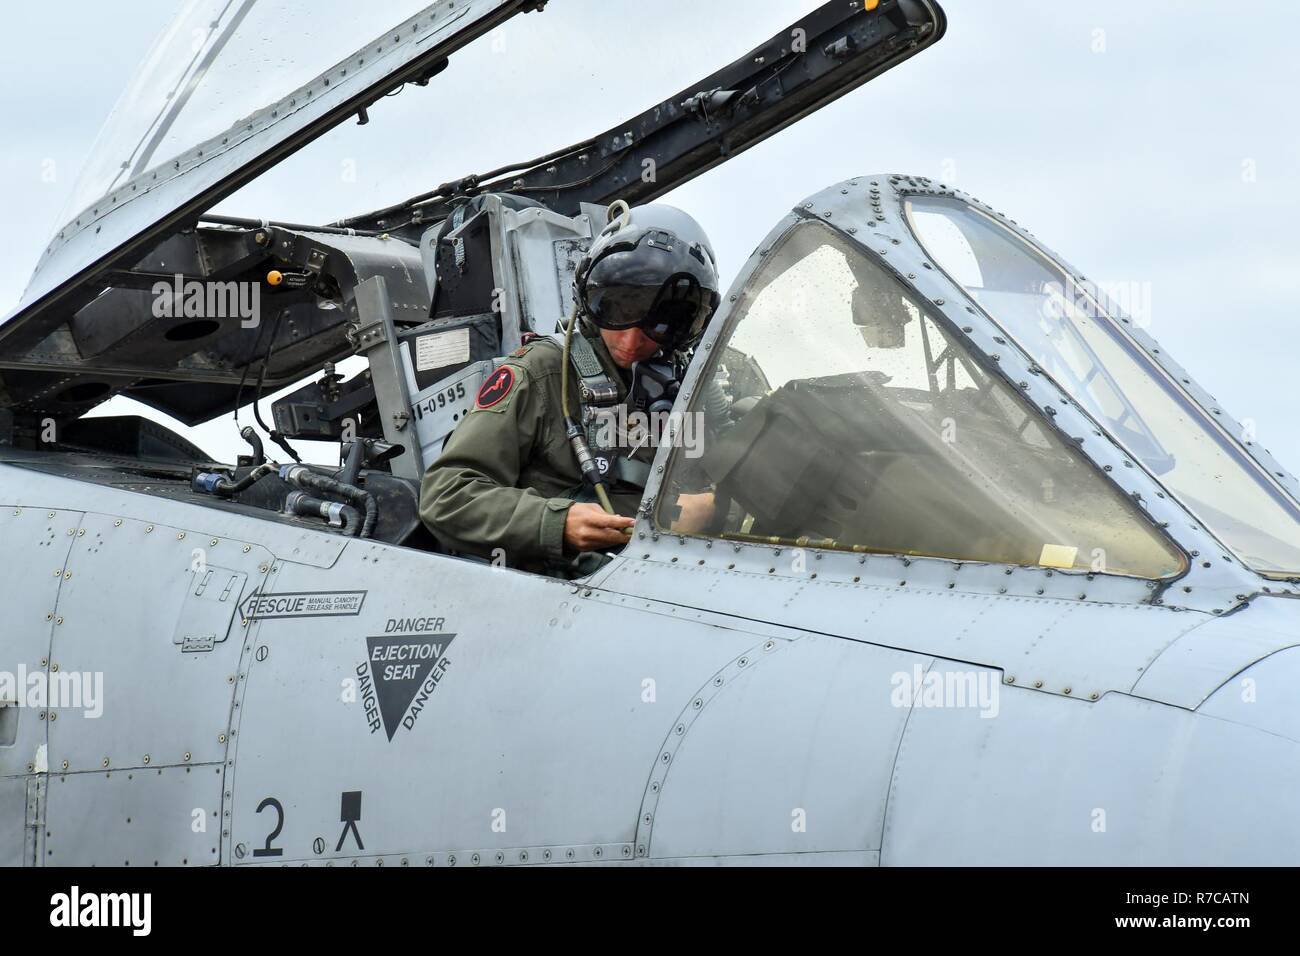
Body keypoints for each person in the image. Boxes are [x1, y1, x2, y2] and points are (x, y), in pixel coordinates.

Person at [419, 203, 722, 576]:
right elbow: (446, 495)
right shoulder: (544, 371)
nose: (629, 342)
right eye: (617, 313)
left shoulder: (695, 383)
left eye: (654, 328)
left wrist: (714, 506)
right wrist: (555, 523)